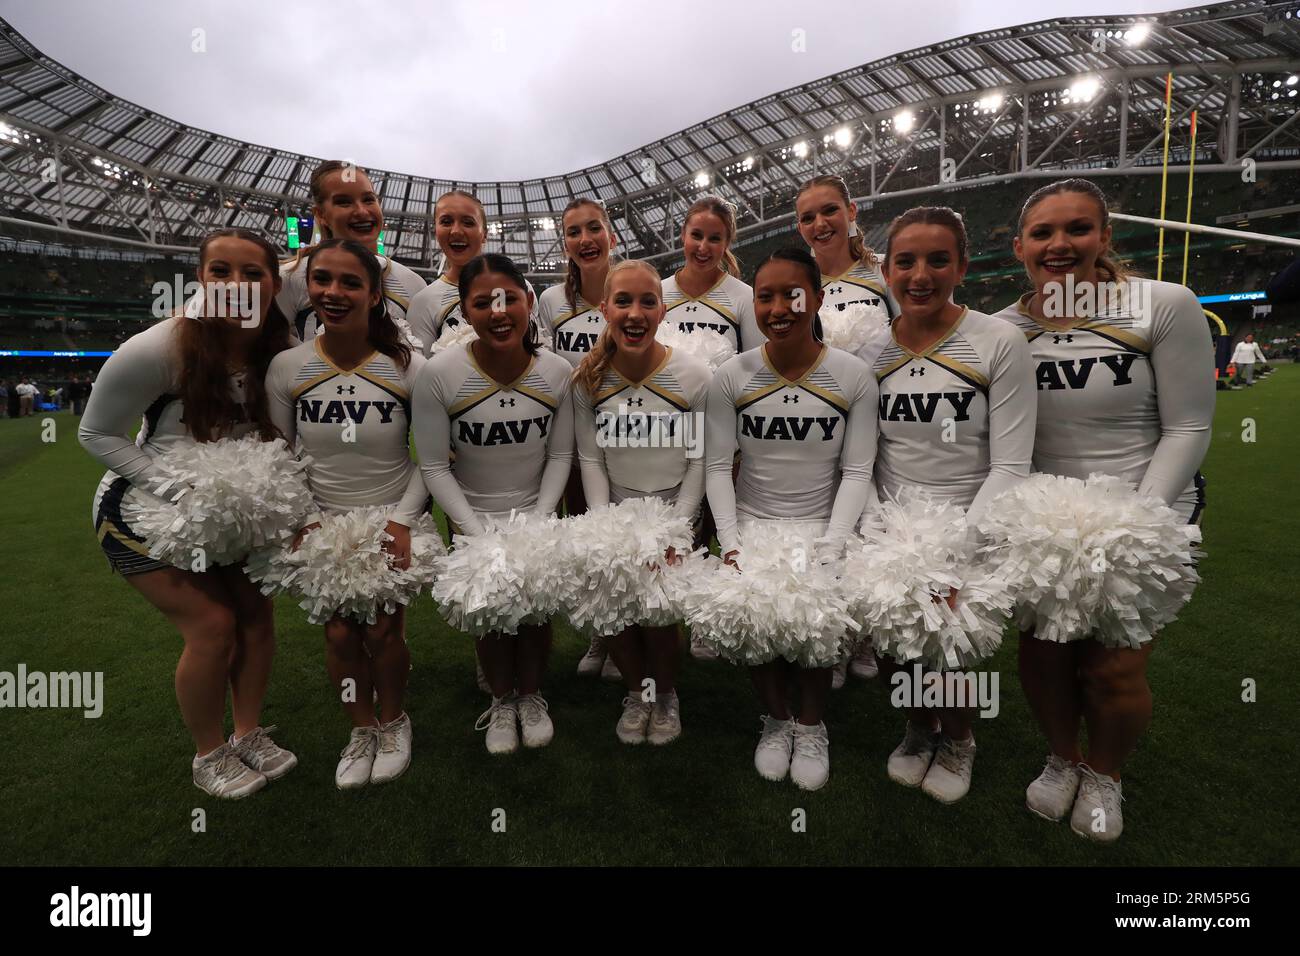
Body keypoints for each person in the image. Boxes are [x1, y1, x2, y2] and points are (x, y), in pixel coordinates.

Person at [994, 178, 1215, 842]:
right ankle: (1062, 756)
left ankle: (1104, 772)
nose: (1060, 244)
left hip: (1144, 508)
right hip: (1042, 520)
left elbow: (1188, 428)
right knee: (1044, 655)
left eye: (1077, 229)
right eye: (1043, 233)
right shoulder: (1003, 331)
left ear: (1104, 236)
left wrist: (1133, 526)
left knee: (1114, 664)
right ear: (1020, 248)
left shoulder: (1163, 306)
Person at [78, 228, 297, 799]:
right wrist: (178, 490)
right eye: (220, 271)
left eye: (253, 273)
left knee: (254, 614)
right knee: (212, 626)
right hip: (145, 512)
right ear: (200, 278)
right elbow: (96, 432)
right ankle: (209, 753)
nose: (236, 285)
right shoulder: (159, 347)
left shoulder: (280, 343)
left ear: (275, 284)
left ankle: (248, 733)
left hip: (233, 513)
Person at [869, 206, 1036, 803]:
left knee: (950, 649)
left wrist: (951, 551)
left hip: (971, 523)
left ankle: (959, 738)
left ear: (962, 265)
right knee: (894, 649)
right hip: (888, 530)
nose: (920, 275)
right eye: (905, 261)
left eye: (938, 260)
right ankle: (917, 727)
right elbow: (861, 457)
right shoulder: (870, 353)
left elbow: (1012, 462)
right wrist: (878, 531)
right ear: (886, 270)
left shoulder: (998, 340)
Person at [705, 247, 877, 790]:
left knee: (813, 639)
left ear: (818, 299)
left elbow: (857, 470)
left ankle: (812, 724)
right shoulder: (731, 376)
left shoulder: (853, 376)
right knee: (760, 633)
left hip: (823, 524)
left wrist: (832, 545)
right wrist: (731, 544)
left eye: (792, 294)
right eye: (765, 296)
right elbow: (715, 465)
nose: (779, 307)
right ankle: (777, 721)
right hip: (754, 523)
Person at [266, 238, 429, 789]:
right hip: (320, 519)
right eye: (322, 281)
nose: (334, 293)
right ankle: (360, 729)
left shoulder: (408, 367)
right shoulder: (287, 367)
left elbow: (431, 456)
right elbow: (279, 456)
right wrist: (307, 519)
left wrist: (402, 521)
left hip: (390, 515)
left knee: (383, 631)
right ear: (308, 288)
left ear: (375, 292)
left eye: (350, 282)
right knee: (338, 636)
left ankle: (394, 720)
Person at [412, 254, 574, 755]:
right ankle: (502, 698)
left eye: (508, 299)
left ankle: (531, 694)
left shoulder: (558, 371)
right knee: (489, 614)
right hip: (472, 515)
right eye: (482, 302)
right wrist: (474, 531)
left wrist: (541, 519)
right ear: (464, 311)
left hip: (536, 510)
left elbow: (561, 452)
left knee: (535, 611)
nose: (498, 311)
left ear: (528, 301)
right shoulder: (439, 374)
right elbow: (435, 466)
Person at [573, 259, 712, 745]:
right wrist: (602, 524)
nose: (635, 313)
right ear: (605, 308)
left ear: (663, 308)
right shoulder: (587, 379)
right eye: (624, 302)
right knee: (617, 613)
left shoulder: (693, 375)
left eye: (647, 301)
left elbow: (699, 460)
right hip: (614, 507)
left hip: (673, 508)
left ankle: (666, 694)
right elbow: (590, 460)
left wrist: (680, 526)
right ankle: (637, 692)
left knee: (657, 616)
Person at [794, 173, 897, 686]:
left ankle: (862, 633)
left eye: (829, 211)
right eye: (808, 217)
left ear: (851, 211)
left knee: (866, 524)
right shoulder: (799, 284)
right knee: (825, 525)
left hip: (879, 419)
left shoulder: (884, 275)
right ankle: (831, 636)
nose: (820, 224)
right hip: (813, 424)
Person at [536, 198, 622, 680]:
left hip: (630, 435)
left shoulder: (633, 285)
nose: (585, 239)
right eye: (574, 232)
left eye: (594, 228)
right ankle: (602, 632)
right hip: (572, 441)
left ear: (610, 235)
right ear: (565, 243)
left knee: (626, 532)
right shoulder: (551, 303)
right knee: (587, 534)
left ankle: (636, 632)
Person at [277, 160, 426, 346]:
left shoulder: (413, 283)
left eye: (368, 199)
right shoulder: (290, 276)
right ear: (321, 214)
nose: (362, 211)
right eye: (344, 202)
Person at [406, 190, 543, 356]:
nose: (456, 231)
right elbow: (424, 372)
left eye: (468, 223)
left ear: (484, 234)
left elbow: (536, 354)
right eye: (446, 221)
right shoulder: (423, 302)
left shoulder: (519, 287)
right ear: (436, 231)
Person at [660, 197, 761, 353]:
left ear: (726, 243)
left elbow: (754, 369)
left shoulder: (746, 298)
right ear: (683, 235)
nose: (703, 247)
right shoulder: (657, 294)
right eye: (696, 235)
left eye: (714, 239)